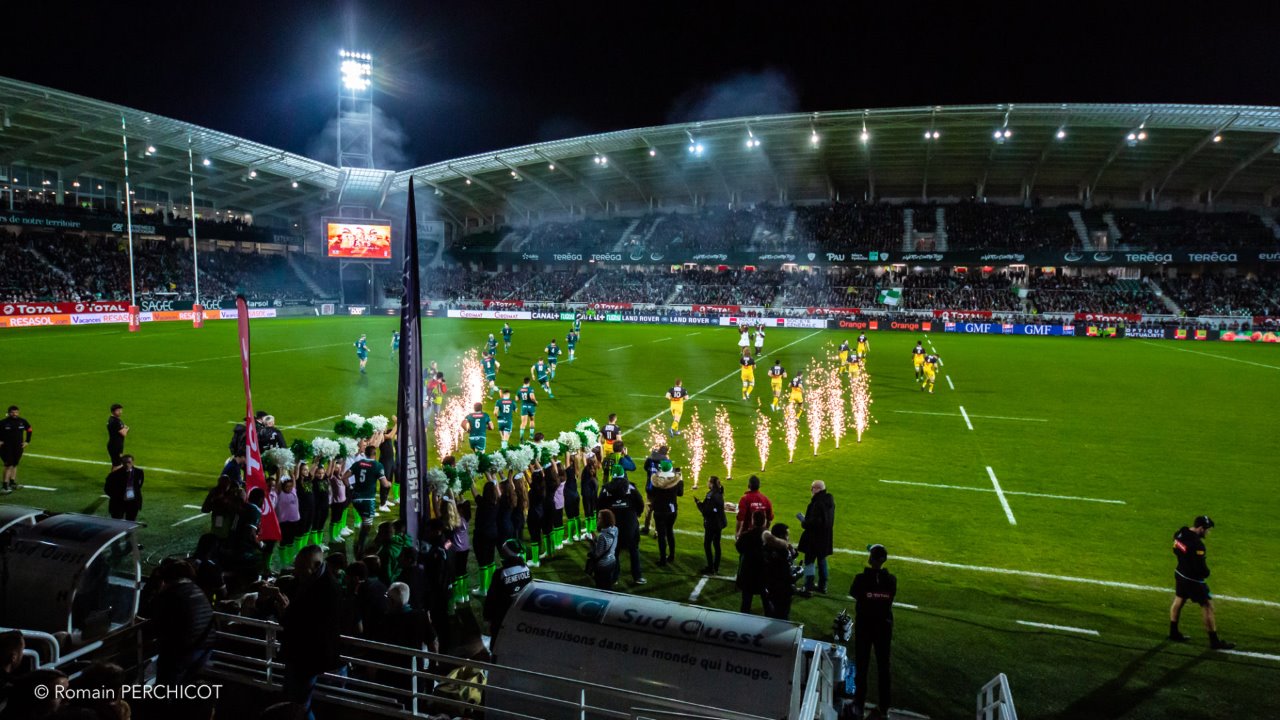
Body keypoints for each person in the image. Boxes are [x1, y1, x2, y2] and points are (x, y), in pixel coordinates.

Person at [280, 546, 344, 720]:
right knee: (294, 701)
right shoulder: (305, 579)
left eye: (301, 568)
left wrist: (288, 612)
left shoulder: (331, 590)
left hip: (308, 659)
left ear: (316, 565)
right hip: (297, 655)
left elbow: (313, 628)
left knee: (300, 704)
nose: (297, 572)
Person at [1169, 515, 1235, 649]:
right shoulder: (1198, 545)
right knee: (1207, 605)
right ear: (1200, 528)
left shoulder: (1181, 532)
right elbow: (1200, 568)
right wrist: (1207, 573)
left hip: (1180, 573)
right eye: (1207, 529)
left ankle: (1173, 632)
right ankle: (1214, 641)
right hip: (1193, 580)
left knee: (1179, 599)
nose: (1208, 532)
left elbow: (1175, 547)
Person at [148, 559, 215, 685]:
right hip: (205, 648)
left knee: (166, 686)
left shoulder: (170, 594)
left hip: (183, 650)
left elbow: (156, 623)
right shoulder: (195, 589)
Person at [850, 544, 897, 719]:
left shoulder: (861, 579)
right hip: (884, 627)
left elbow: (854, 593)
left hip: (865, 626)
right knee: (884, 666)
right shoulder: (891, 580)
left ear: (871, 558)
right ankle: (884, 707)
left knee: (862, 665)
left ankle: (858, 704)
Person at [599, 456, 644, 585]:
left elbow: (600, 505)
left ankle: (614, 578)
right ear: (623, 474)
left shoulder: (606, 488)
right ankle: (637, 576)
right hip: (630, 522)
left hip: (613, 524)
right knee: (634, 550)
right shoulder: (631, 487)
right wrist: (637, 514)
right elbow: (640, 503)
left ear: (613, 475)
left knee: (614, 551)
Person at [484, 539, 532, 649]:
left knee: (497, 644)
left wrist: (487, 617)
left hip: (502, 614)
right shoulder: (526, 569)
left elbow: (492, 597)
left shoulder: (501, 573)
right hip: (520, 612)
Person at [342, 446, 388, 557]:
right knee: (367, 525)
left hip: (356, 498)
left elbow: (344, 477)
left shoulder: (358, 463)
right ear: (374, 454)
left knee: (365, 522)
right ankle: (361, 549)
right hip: (368, 499)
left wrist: (350, 488)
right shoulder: (378, 465)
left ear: (365, 453)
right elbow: (385, 484)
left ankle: (361, 546)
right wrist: (390, 483)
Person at [797, 480, 835, 595]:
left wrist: (804, 522)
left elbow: (814, 522)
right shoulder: (830, 501)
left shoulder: (817, 503)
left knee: (809, 561)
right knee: (822, 560)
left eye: (812, 487)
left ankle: (808, 585)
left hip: (814, 538)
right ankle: (823, 586)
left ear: (818, 489)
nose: (811, 490)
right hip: (825, 537)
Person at [649, 461, 683, 566]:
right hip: (671, 510)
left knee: (661, 535)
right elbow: (680, 493)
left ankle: (663, 559)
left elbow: (652, 493)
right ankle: (671, 555)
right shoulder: (677, 480)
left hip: (659, 509)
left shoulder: (655, 480)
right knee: (670, 532)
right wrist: (681, 479)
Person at [762, 523, 796, 620]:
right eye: (787, 534)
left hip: (768, 587)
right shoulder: (783, 551)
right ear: (781, 536)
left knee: (769, 614)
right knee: (782, 617)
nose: (788, 537)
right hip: (782, 590)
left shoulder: (766, 546)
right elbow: (786, 574)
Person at [735, 510, 768, 613]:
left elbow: (739, 548)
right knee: (766, 599)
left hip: (748, 571)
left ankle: (743, 623)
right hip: (764, 572)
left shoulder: (746, 535)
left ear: (753, 520)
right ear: (764, 521)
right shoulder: (769, 537)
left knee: (746, 601)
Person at [694, 475, 727, 575]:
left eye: (708, 482)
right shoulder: (720, 492)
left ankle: (710, 567)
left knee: (707, 544)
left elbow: (706, 511)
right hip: (719, 523)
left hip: (712, 524)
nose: (707, 483)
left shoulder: (711, 495)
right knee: (717, 544)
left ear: (712, 484)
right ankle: (715, 566)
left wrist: (698, 504)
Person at [0, 406, 32, 493]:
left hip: (18, 447)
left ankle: (12, 483)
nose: (15, 414)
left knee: (14, 464)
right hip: (6, 448)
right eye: (13, 412)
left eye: (16, 412)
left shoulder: (22, 421)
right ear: (9, 413)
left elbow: (29, 429)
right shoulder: (3, 422)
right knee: (8, 465)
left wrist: (27, 441)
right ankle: (4, 486)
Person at [103, 455, 144, 520]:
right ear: (122, 463)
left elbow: (139, 485)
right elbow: (107, 489)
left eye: (129, 462)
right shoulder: (114, 475)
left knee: (130, 522)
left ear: (133, 462)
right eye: (125, 462)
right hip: (118, 503)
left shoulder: (139, 472)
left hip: (133, 503)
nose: (127, 464)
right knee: (116, 523)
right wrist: (116, 497)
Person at [587, 509, 620, 590]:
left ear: (605, 520)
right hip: (612, 561)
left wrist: (591, 542)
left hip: (603, 565)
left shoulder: (602, 535)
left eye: (599, 518)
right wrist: (596, 540)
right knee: (608, 584)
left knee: (601, 587)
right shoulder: (615, 529)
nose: (597, 520)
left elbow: (597, 554)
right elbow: (608, 544)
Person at [106, 403, 128, 469]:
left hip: (116, 445)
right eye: (118, 410)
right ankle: (115, 479)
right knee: (118, 465)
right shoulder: (115, 421)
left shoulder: (115, 419)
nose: (120, 412)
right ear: (113, 411)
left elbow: (123, 429)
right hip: (115, 446)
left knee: (116, 464)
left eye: (121, 410)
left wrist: (125, 428)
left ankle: (112, 479)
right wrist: (127, 428)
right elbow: (124, 433)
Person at [516, 377, 539, 441]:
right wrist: (535, 402)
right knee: (532, 420)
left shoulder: (520, 389)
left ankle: (521, 437)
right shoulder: (530, 389)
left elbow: (516, 399)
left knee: (523, 423)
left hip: (524, 407)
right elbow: (532, 397)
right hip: (531, 407)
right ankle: (531, 435)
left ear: (523, 382)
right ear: (529, 382)